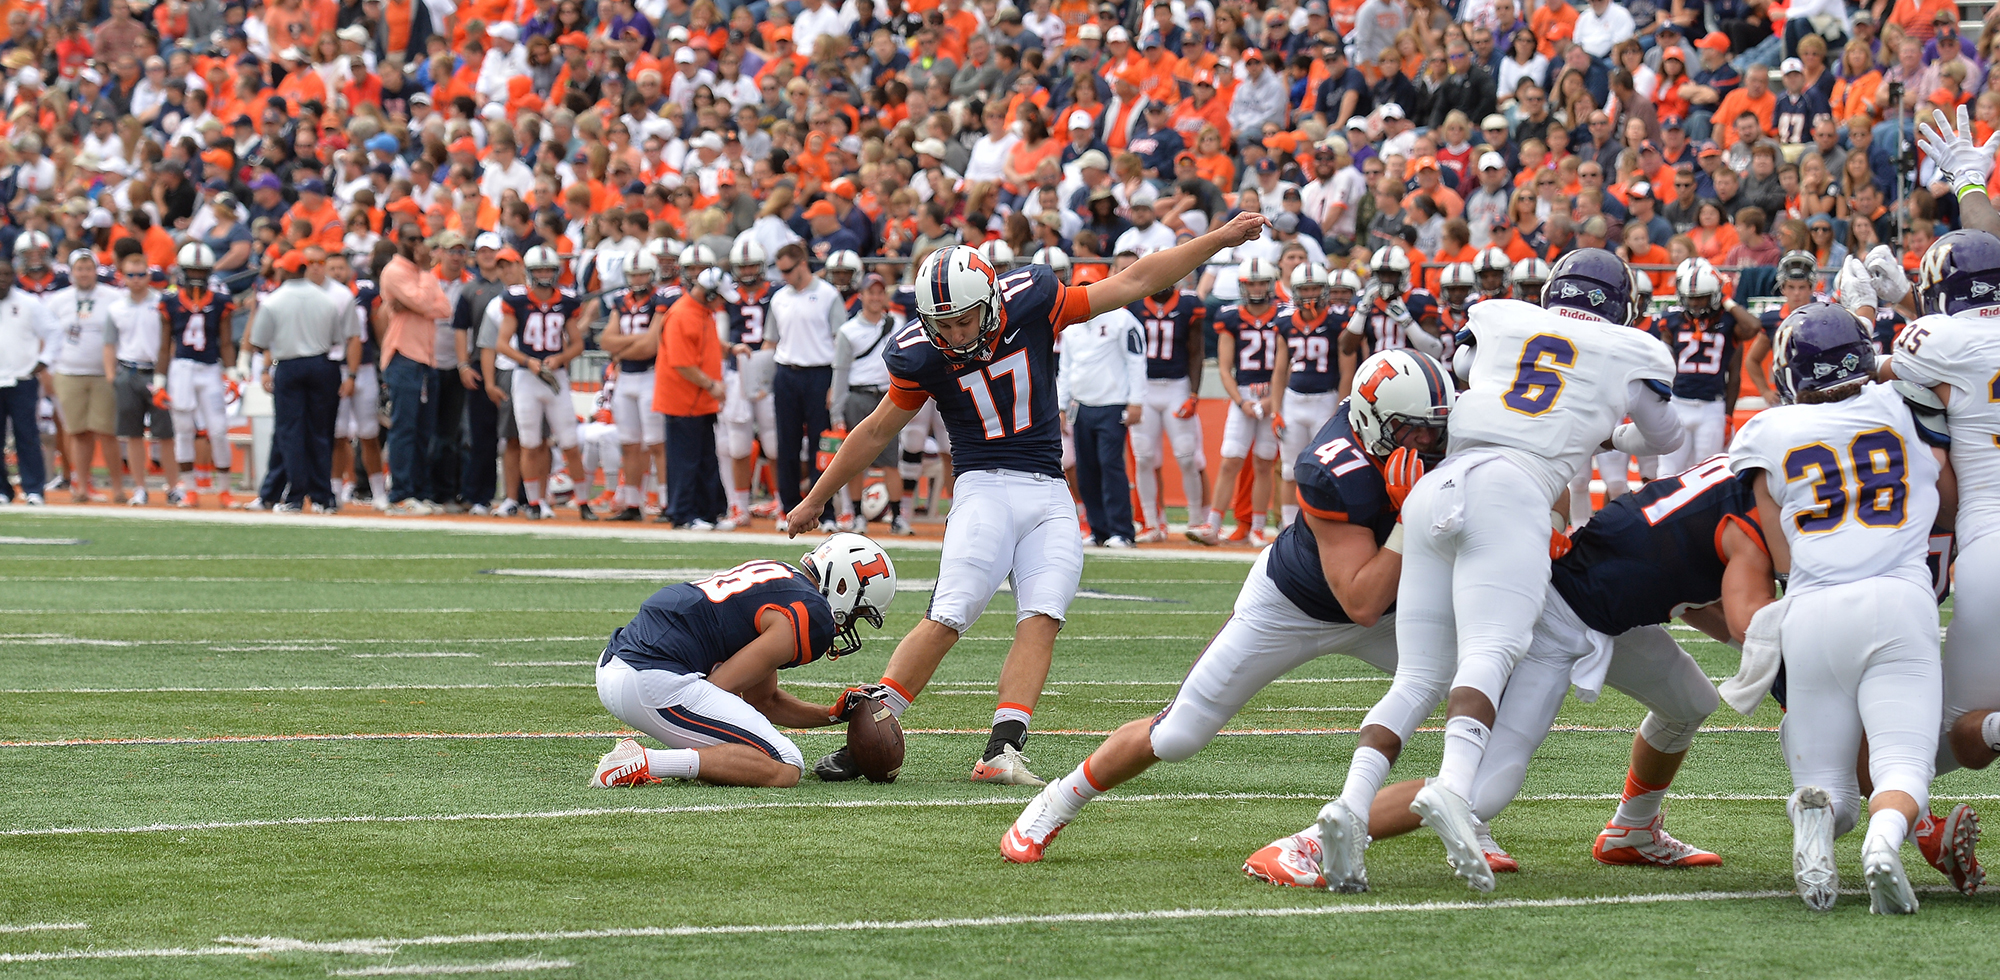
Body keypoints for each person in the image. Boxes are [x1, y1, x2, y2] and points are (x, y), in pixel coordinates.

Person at [789, 211, 1274, 785]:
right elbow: (874, 430)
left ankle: (1002, 749)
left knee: (1042, 615)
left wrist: (1218, 238)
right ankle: (870, 732)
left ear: (992, 303)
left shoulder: (1034, 299)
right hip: (982, 486)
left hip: (1048, 491)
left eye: (965, 319)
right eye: (942, 324)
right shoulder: (920, 353)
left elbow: (1137, 281)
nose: (955, 335)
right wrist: (815, 498)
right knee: (951, 612)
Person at [1003, 350, 1452, 863]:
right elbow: (1362, 600)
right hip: (1292, 605)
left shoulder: (1447, 432)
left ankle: (1469, 818)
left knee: (1486, 695)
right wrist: (1409, 516)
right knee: (1176, 736)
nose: (1428, 443)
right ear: (1373, 424)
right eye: (1411, 431)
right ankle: (1056, 802)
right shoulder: (1330, 466)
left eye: (1434, 430)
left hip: (1397, 607)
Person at [1248, 455, 1762, 889]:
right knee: (1483, 787)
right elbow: (1738, 611)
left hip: (1603, 599)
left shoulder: (1738, 478)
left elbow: (1687, 589)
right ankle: (1308, 842)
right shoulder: (1771, 509)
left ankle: (1633, 831)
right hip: (1560, 614)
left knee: (1689, 702)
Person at [1361, 249, 1682, 893]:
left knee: (1419, 673)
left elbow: (1457, 375)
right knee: (1493, 651)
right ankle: (1455, 791)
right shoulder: (1633, 346)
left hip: (1440, 484)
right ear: (1623, 304)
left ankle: (1343, 808)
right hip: (1515, 494)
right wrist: (1609, 434)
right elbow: (1665, 436)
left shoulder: (1497, 315)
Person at [1728, 298, 1950, 914]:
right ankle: (1884, 840)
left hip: (1813, 607)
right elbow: (1919, 372)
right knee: (1902, 763)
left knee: (1828, 786)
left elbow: (1779, 555)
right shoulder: (1901, 405)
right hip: (1900, 599)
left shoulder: (1765, 432)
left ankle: (1815, 822)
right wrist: (1872, 314)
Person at [1874, 229, 2000, 898]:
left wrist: (1876, 314)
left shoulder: (1935, 341)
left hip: (1990, 545)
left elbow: (1867, 378)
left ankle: (1879, 815)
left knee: (1940, 735)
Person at [590, 534, 897, 789]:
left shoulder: (782, 575)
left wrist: (832, 714)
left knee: (746, 752)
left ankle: (687, 763)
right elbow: (721, 688)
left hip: (618, 664)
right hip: (652, 678)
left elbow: (764, 701)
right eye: (857, 613)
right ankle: (645, 762)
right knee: (785, 764)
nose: (847, 626)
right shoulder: (813, 614)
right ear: (843, 587)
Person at [1190, 256, 1289, 546]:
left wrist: (1272, 399)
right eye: (1251, 283)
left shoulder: (1284, 314)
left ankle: (1257, 527)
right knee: (1230, 459)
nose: (1257, 288)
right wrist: (1241, 401)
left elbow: (1290, 363)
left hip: (1274, 394)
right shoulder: (1230, 315)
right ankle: (1213, 524)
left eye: (1261, 282)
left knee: (1264, 462)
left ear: (1270, 284)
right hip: (1244, 395)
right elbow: (1224, 367)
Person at [246, 251, 349, 513]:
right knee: (320, 433)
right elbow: (337, 339)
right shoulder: (325, 300)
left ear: (284, 271)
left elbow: (258, 341)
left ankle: (294, 495)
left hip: (289, 365)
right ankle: (323, 497)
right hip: (323, 365)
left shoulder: (274, 300)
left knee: (289, 432)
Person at [498, 245, 593, 521]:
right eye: (539, 269)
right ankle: (535, 502)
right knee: (529, 443)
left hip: (555, 378)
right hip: (527, 378)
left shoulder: (566, 301)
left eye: (548, 269)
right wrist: (528, 361)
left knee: (569, 442)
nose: (543, 274)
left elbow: (577, 344)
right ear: (529, 272)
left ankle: (583, 501)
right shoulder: (515, 300)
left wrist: (560, 357)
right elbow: (502, 344)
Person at [1652, 258, 1762, 475]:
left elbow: (1753, 326)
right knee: (1667, 472)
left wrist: (1727, 301)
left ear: (1714, 295)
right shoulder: (1671, 321)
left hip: (1711, 407)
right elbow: (1663, 368)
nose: (1694, 304)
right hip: (1678, 403)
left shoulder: (1729, 322)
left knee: (1709, 474)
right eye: (1690, 299)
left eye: (1701, 298)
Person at [766, 241, 848, 530]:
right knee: (785, 444)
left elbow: (842, 342)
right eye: (781, 271)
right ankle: (787, 508)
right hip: (786, 372)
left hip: (819, 373)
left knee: (822, 444)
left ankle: (823, 512)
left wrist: (835, 384)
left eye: (789, 269)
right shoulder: (779, 298)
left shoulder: (827, 295)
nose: (784, 276)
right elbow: (771, 340)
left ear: (803, 264)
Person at [1057, 292, 1148, 548]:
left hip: (1113, 403)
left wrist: (1136, 400)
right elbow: (1066, 368)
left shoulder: (1122, 319)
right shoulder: (1072, 324)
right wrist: (1061, 406)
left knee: (1110, 466)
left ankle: (1122, 530)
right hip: (1082, 405)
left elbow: (1136, 361)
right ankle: (1099, 529)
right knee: (1086, 470)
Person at [377, 227, 454, 515]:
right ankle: (400, 493)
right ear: (400, 242)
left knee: (424, 430)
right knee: (405, 428)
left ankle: (419, 491)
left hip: (425, 358)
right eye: (412, 240)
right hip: (404, 355)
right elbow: (425, 302)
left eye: (421, 239)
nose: (418, 244)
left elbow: (444, 308)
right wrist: (423, 281)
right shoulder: (395, 271)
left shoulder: (422, 275)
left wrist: (415, 305)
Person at [1126, 273, 1208, 542]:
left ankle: (1196, 520)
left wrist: (1194, 393)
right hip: (1145, 387)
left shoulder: (1187, 305)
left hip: (1176, 386)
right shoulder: (1134, 304)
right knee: (1144, 456)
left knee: (1187, 456)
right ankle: (1151, 523)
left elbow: (1196, 350)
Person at [829, 273, 909, 536]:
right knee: (856, 460)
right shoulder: (848, 330)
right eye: (870, 292)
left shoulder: (896, 323)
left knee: (891, 461)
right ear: (861, 295)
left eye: (879, 292)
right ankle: (858, 515)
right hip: (859, 394)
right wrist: (837, 411)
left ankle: (897, 515)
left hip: (888, 396)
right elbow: (841, 372)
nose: (875, 297)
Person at [652, 267, 732, 529]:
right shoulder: (683, 315)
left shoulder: (701, 312)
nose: (722, 303)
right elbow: (682, 363)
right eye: (719, 297)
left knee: (706, 459)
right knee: (685, 461)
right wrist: (711, 385)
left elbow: (705, 345)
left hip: (698, 402)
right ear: (709, 294)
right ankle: (683, 514)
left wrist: (730, 349)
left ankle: (708, 513)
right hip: (683, 401)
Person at [160, 243, 239, 508]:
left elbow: (226, 342)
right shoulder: (169, 301)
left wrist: (232, 374)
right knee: (183, 429)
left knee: (217, 430)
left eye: (200, 270)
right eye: (191, 270)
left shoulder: (219, 301)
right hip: (181, 367)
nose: (195, 275)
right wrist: (159, 382)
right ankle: (190, 489)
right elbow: (164, 344)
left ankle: (225, 490)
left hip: (209, 367)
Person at [596, 249, 667, 522]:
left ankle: (665, 501)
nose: (637, 279)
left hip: (650, 375)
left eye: (642, 273)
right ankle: (633, 503)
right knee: (629, 443)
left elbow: (651, 345)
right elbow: (605, 341)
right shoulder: (620, 301)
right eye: (634, 274)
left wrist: (621, 348)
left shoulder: (660, 299)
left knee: (657, 443)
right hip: (625, 378)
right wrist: (632, 346)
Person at [103, 252, 172, 507]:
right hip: (129, 370)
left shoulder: (162, 302)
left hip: (156, 372)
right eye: (130, 275)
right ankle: (140, 487)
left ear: (149, 275)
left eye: (140, 274)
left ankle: (173, 486)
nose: (136, 280)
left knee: (165, 433)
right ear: (123, 277)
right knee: (132, 434)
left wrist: (166, 372)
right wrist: (112, 376)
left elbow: (170, 339)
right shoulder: (116, 308)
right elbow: (109, 343)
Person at [47, 251, 116, 503]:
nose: (84, 273)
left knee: (106, 430)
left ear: (95, 270)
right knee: (77, 431)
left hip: (102, 373)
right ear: (71, 271)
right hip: (68, 371)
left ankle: (117, 487)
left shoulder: (113, 297)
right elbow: (47, 336)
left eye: (88, 268)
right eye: (79, 268)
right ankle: (81, 484)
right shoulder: (57, 300)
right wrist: (48, 368)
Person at [1276, 264, 1341, 529]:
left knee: (1326, 469)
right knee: (1289, 469)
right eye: (1305, 288)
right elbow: (1279, 370)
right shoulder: (1285, 322)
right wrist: (1275, 410)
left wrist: (1340, 408)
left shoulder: (1337, 321)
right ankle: (1289, 527)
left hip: (1326, 399)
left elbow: (1347, 369)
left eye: (1315, 288)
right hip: (1294, 400)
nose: (1310, 293)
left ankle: (1323, 526)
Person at [0, 258, 56, 504]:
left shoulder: (29, 303)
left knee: (27, 435)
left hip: (22, 379)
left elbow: (53, 331)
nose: (2, 279)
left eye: (6, 274)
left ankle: (33, 489)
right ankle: (3, 490)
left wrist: (45, 360)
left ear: (14, 276)